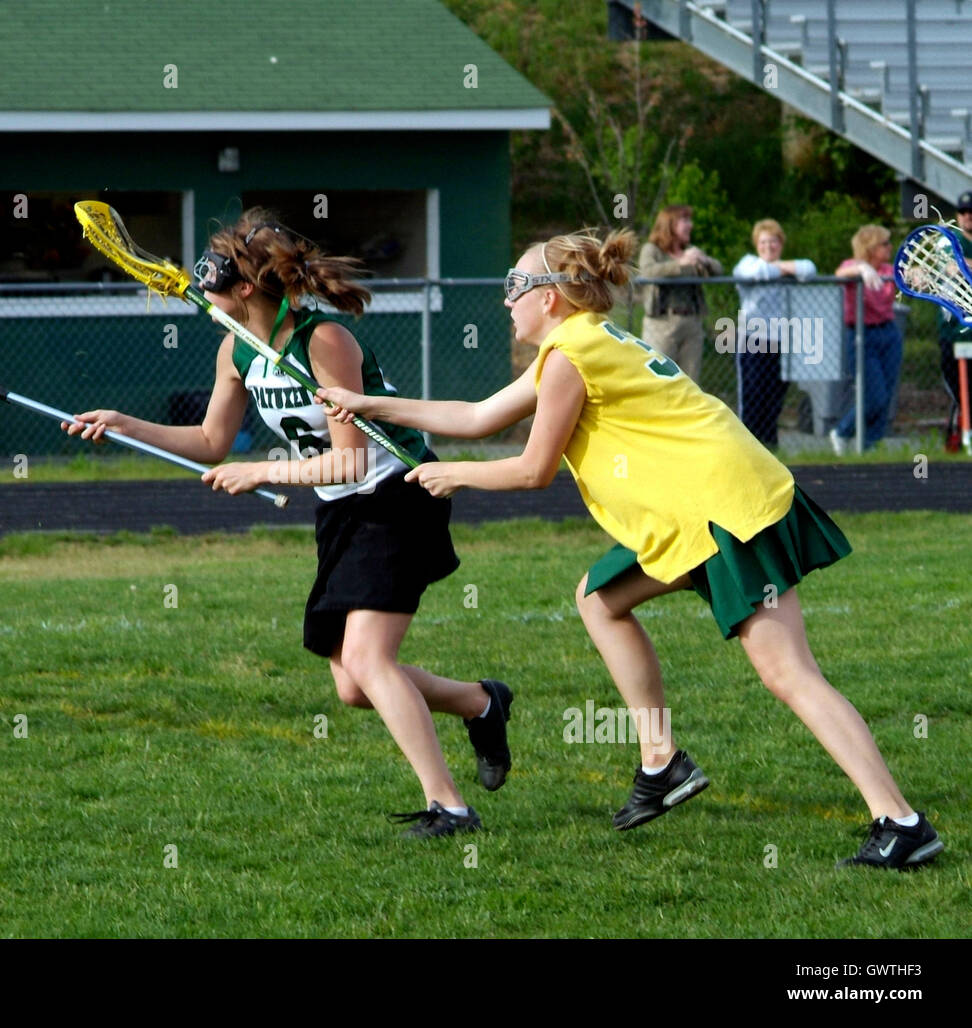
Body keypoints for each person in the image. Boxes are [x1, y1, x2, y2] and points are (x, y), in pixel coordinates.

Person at [316, 227, 942, 869]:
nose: (506, 301)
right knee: (599, 597)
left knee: (788, 674)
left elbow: (533, 469)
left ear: (551, 297)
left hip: (722, 509)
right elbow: (477, 417)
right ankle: (661, 760)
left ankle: (901, 821)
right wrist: (366, 403)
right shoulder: (575, 344)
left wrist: (455, 475)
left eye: (513, 286)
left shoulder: (569, 355)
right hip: (702, 508)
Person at [64, 209, 513, 838]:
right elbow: (211, 439)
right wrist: (124, 423)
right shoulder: (236, 350)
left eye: (215, 289)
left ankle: (452, 808)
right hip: (341, 507)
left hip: (396, 494)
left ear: (245, 290)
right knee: (354, 686)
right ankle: (481, 702)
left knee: (368, 657)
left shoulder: (321, 341)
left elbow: (351, 456)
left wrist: (263, 473)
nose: (208, 301)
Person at [732, 219, 817, 448]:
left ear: (781, 243)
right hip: (753, 339)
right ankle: (749, 447)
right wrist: (784, 269)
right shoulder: (747, 263)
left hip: (781, 340)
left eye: (774, 241)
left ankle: (771, 446)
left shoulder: (786, 265)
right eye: (763, 241)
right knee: (753, 395)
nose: (769, 246)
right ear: (756, 244)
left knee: (775, 397)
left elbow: (809, 269)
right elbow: (755, 272)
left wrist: (781, 267)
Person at [828, 225, 902, 455]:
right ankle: (843, 431)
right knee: (874, 395)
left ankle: (871, 447)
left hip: (888, 332)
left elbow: (907, 276)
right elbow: (839, 275)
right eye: (885, 244)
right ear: (870, 247)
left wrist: (914, 276)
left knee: (886, 395)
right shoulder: (853, 266)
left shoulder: (889, 269)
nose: (890, 248)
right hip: (862, 334)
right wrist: (862, 268)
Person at [637, 204, 723, 382]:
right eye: (685, 220)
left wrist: (703, 260)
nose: (690, 225)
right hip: (661, 324)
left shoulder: (690, 251)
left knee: (690, 383)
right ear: (669, 224)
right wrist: (680, 264)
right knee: (658, 380)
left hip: (692, 324)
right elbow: (647, 273)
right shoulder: (652, 250)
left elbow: (718, 269)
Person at [937, 192, 972, 449]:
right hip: (955, 332)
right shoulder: (949, 240)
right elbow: (952, 266)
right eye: (963, 212)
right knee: (961, 391)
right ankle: (963, 433)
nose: (968, 216)